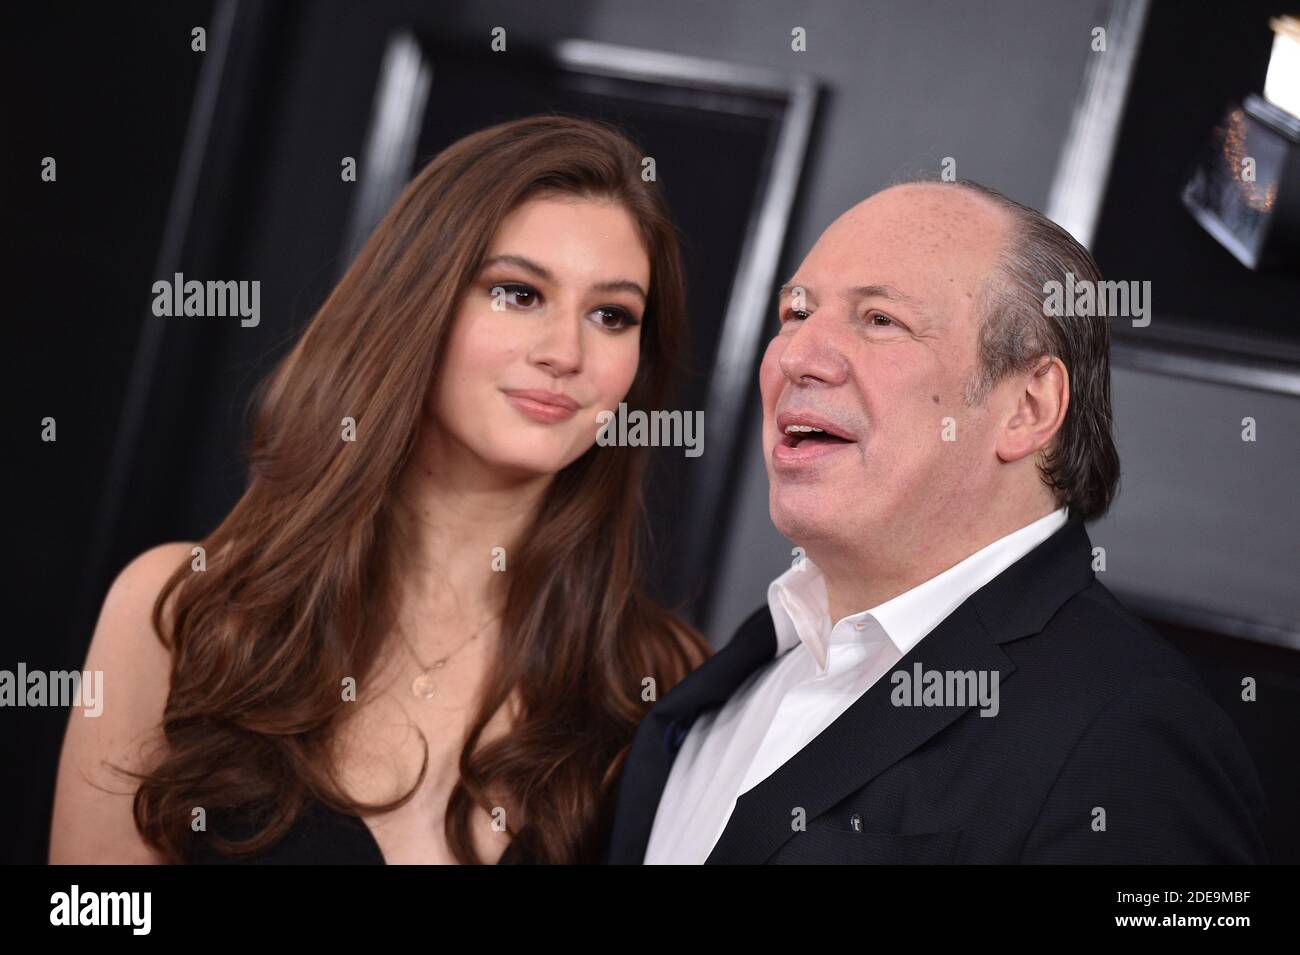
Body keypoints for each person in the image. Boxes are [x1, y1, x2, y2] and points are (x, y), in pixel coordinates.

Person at [49, 115, 709, 865]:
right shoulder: (183, 606)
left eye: (611, 314)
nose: (567, 352)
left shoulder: (659, 682)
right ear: (418, 302)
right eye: (519, 293)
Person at [607, 177, 1268, 864]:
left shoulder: (1130, 735)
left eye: (880, 319)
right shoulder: (735, 669)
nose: (796, 357)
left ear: (1028, 407)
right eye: (797, 313)